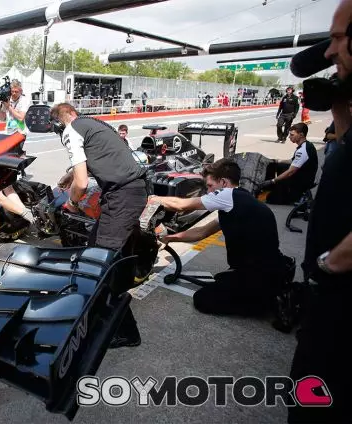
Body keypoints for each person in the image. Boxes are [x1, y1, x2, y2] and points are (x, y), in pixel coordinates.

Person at [288, 1, 352, 421]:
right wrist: (340, 102)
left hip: (341, 299)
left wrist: (330, 264)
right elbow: (343, 146)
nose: (329, 52)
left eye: (339, 37)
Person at [50, 103, 148, 348]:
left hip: (121, 197)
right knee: (108, 255)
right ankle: (105, 310)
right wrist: (68, 178)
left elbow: (82, 183)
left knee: (98, 265)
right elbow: (91, 163)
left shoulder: (70, 129)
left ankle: (126, 332)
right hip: (133, 192)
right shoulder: (96, 124)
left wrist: (71, 203)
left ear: (61, 122)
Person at [149, 158, 290, 316]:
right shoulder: (238, 200)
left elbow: (181, 205)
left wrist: (152, 199)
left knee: (203, 299)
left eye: (210, 186)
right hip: (266, 268)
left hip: (261, 273)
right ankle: (266, 294)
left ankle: (270, 303)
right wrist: (170, 238)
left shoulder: (227, 196)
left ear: (223, 182)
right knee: (222, 279)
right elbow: (201, 232)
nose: (208, 192)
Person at [0, 79, 32, 223]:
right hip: (8, 133)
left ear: (20, 90)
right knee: (7, 159)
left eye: (16, 91)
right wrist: (0, 105)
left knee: (14, 159)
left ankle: (16, 180)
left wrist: (9, 106)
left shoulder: (24, 100)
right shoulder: (8, 99)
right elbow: (2, 118)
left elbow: (21, 117)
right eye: (12, 91)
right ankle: (13, 180)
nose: (14, 93)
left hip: (19, 133)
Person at [261, 123, 318, 205]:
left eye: (292, 135)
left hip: (303, 181)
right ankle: (269, 188)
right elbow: (293, 162)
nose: (289, 137)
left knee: (271, 198)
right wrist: (276, 161)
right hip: (303, 175)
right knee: (273, 165)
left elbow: (290, 172)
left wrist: (273, 181)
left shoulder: (302, 151)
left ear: (301, 135)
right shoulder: (306, 145)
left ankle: (278, 191)